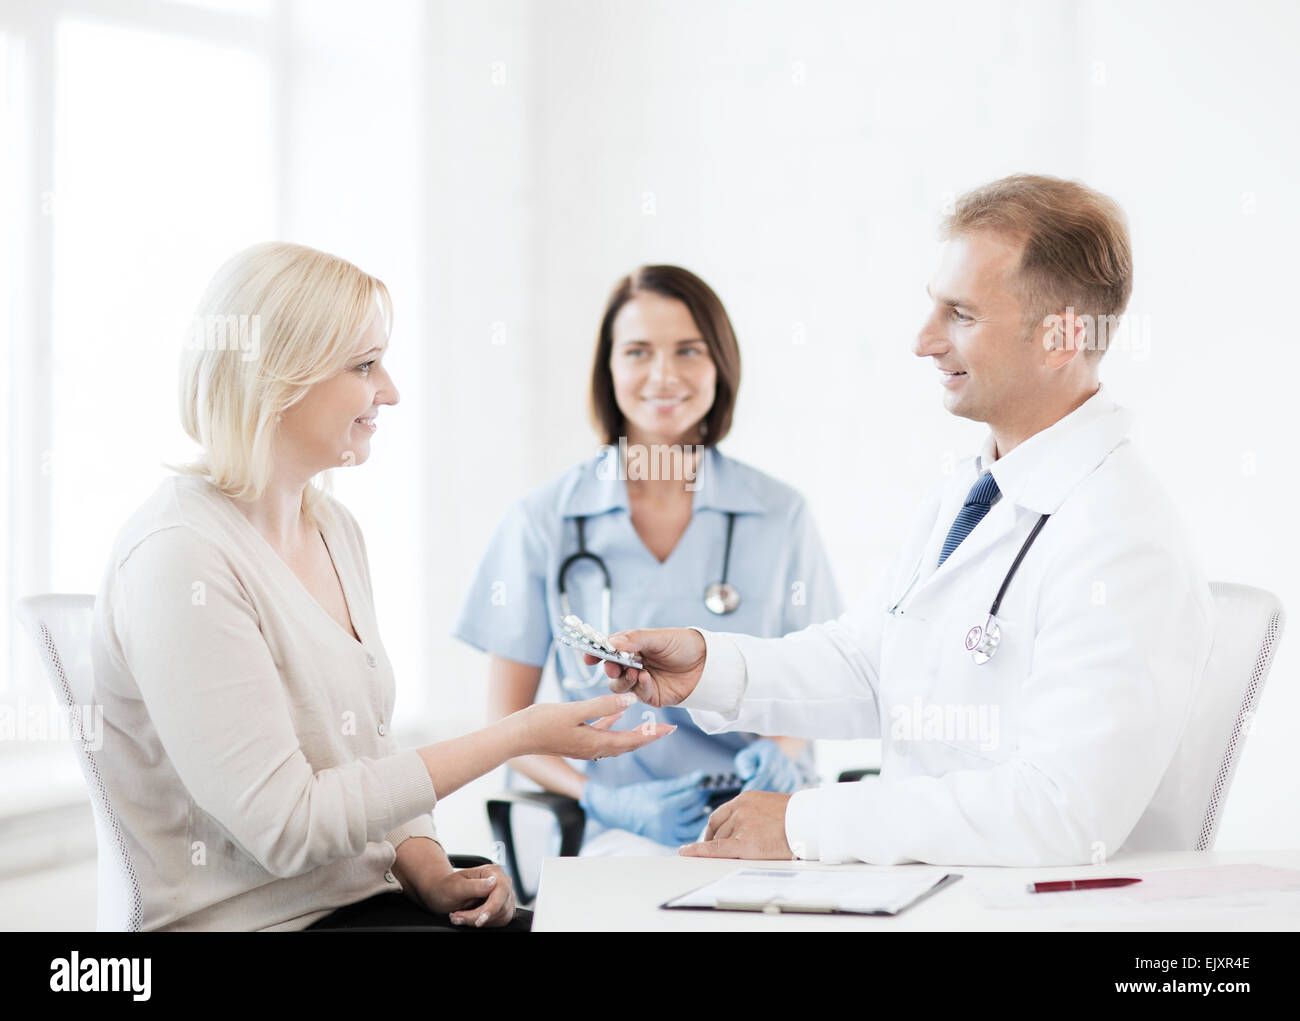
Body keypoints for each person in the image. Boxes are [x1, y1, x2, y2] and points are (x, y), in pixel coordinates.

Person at [589, 175, 1216, 867]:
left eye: (961, 315)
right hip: (938, 894)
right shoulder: (976, 490)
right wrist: (710, 667)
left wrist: (804, 825)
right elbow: (874, 662)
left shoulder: (1122, 538)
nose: (924, 341)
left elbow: (1057, 813)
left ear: (1063, 337)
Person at [90, 242, 672, 931]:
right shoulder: (179, 557)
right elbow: (289, 827)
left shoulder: (331, 525)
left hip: (364, 902)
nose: (389, 391)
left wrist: (427, 866)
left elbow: (368, 754)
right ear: (278, 380)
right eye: (365, 366)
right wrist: (514, 736)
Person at [454, 265, 842, 861]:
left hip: (757, 817)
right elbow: (507, 729)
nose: (664, 375)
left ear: (720, 364)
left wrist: (784, 755)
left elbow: (822, 684)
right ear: (609, 370)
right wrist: (602, 800)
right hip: (613, 829)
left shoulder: (780, 516)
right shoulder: (543, 521)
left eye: (689, 350)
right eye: (638, 352)